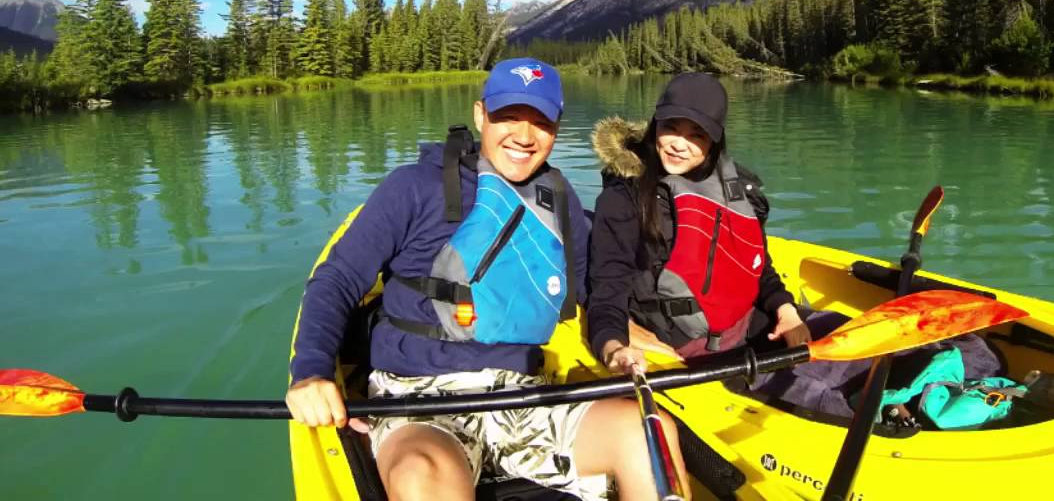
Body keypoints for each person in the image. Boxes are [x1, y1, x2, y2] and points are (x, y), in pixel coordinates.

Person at [288, 58, 688, 501]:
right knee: (422, 471)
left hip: (523, 396)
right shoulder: (413, 187)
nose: (524, 135)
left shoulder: (559, 198)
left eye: (540, 121)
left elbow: (592, 286)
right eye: (508, 117)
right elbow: (337, 279)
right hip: (420, 402)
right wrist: (310, 372)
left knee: (648, 434)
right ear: (481, 115)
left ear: (556, 127)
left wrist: (613, 336)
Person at [587, 72, 1006, 422]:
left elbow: (758, 265)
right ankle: (912, 409)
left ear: (714, 141)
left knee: (864, 341)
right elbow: (606, 289)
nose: (680, 143)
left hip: (751, 325)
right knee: (834, 401)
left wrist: (786, 310)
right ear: (655, 125)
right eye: (672, 127)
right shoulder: (623, 201)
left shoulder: (732, 190)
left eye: (697, 134)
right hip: (694, 352)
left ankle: (953, 386)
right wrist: (614, 348)